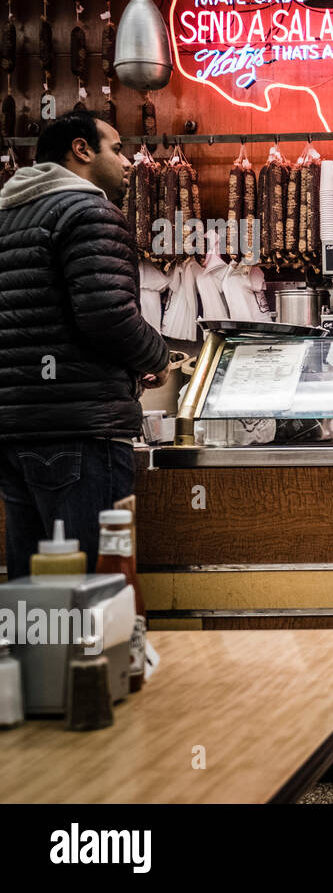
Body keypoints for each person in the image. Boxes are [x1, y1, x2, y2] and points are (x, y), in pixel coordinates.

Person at [0, 111, 169, 577]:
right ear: (82, 150)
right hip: (79, 429)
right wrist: (156, 357)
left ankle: (45, 654)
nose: (130, 161)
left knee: (36, 587)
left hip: (16, 430)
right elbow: (108, 315)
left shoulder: (10, 215)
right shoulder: (88, 211)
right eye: (117, 149)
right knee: (93, 582)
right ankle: (91, 654)